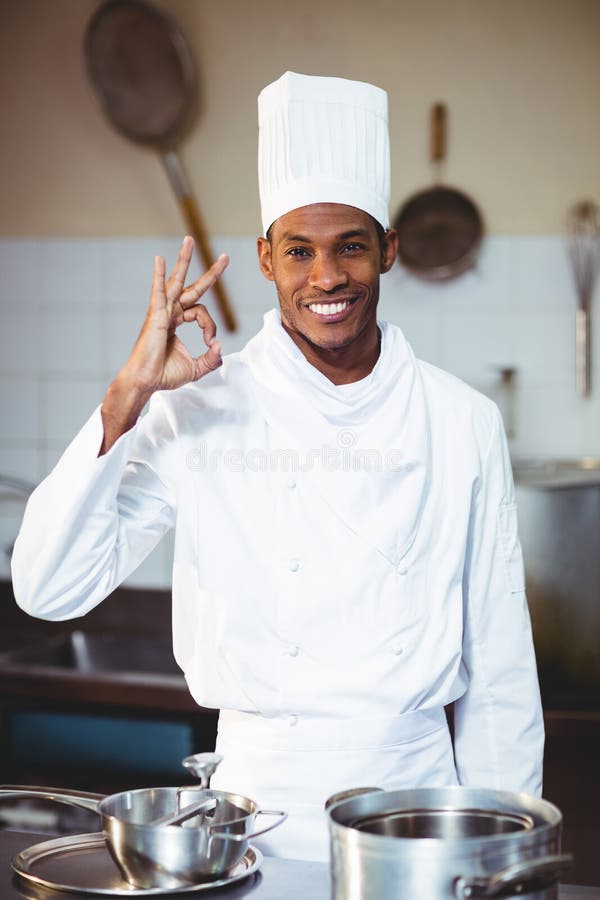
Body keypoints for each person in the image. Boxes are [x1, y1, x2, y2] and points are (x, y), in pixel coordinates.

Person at [12, 72, 544, 862]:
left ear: (388, 250)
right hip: (251, 811)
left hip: (416, 810)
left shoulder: (461, 420)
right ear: (266, 259)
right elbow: (49, 588)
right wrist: (127, 397)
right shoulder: (199, 407)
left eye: (351, 246)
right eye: (300, 250)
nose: (326, 278)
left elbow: (499, 667)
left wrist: (506, 851)